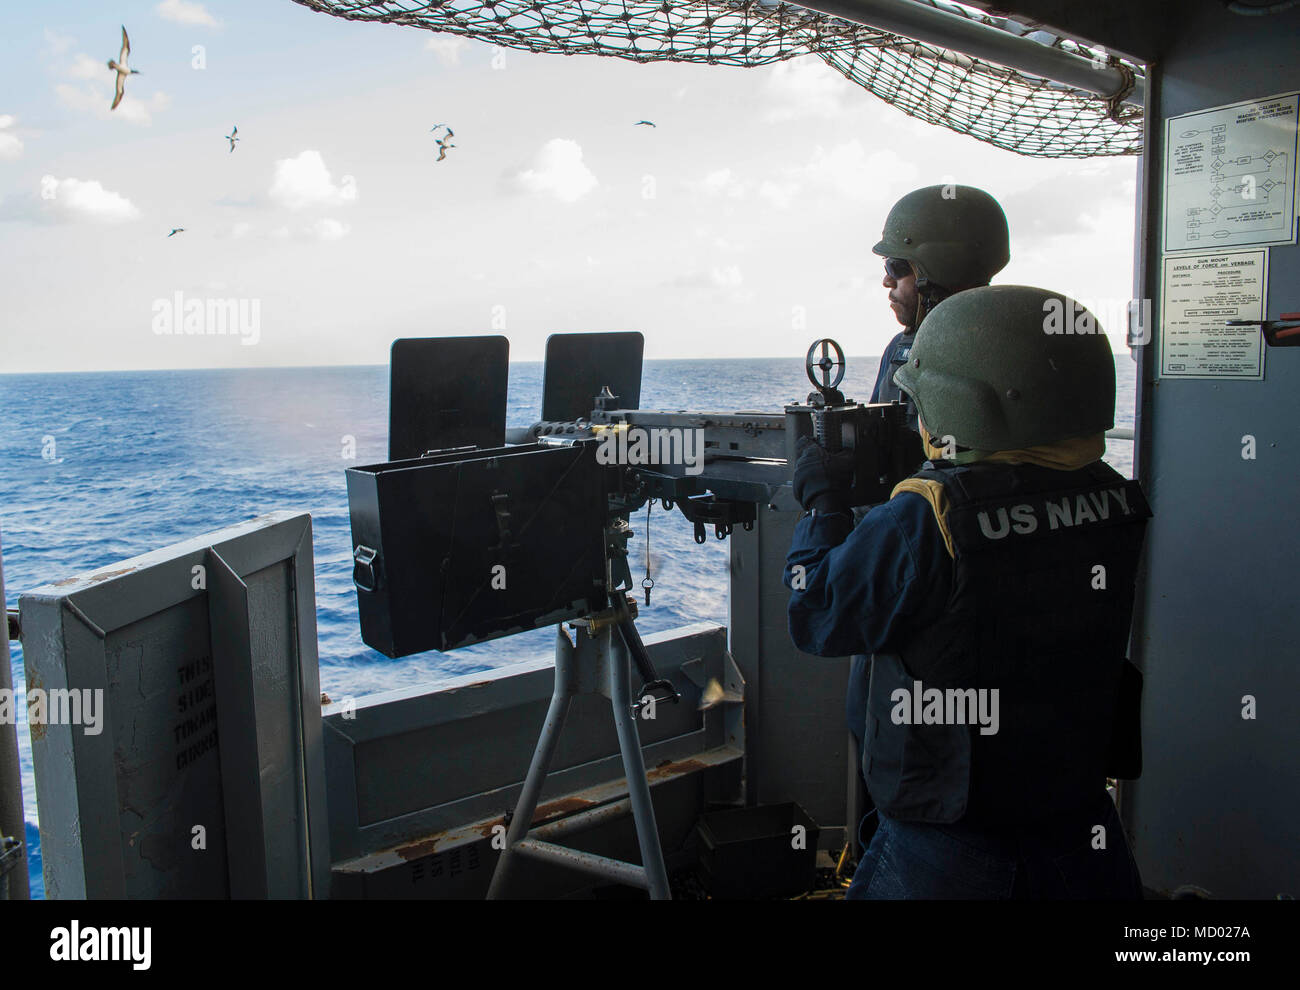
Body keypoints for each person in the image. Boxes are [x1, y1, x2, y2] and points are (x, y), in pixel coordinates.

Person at [786, 285, 1150, 898]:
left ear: (967, 405)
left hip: (952, 840)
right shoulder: (1115, 496)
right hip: (1081, 825)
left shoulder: (928, 517)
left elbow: (818, 611)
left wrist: (822, 502)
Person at [869, 184, 1011, 434]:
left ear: (942, 267)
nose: (887, 281)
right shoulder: (901, 348)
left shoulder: (1002, 349)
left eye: (897, 267)